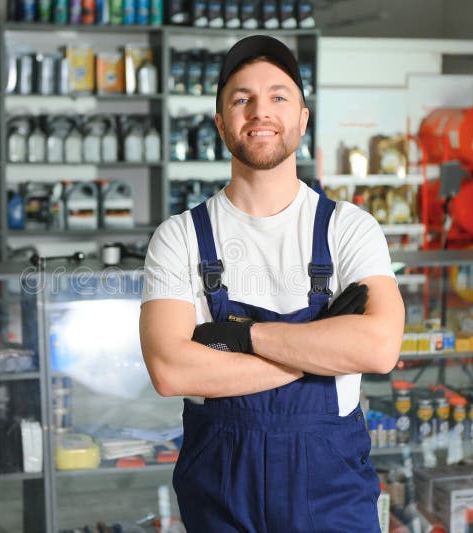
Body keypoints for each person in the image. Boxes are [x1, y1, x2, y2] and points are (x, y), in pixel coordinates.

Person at [139, 34, 404, 532]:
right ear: (221, 123)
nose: (260, 111)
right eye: (242, 99)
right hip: (219, 485)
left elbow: (379, 347)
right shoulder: (179, 238)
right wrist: (318, 350)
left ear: (303, 119)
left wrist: (240, 339)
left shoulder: (349, 227)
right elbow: (171, 368)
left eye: (279, 97)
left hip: (331, 489)